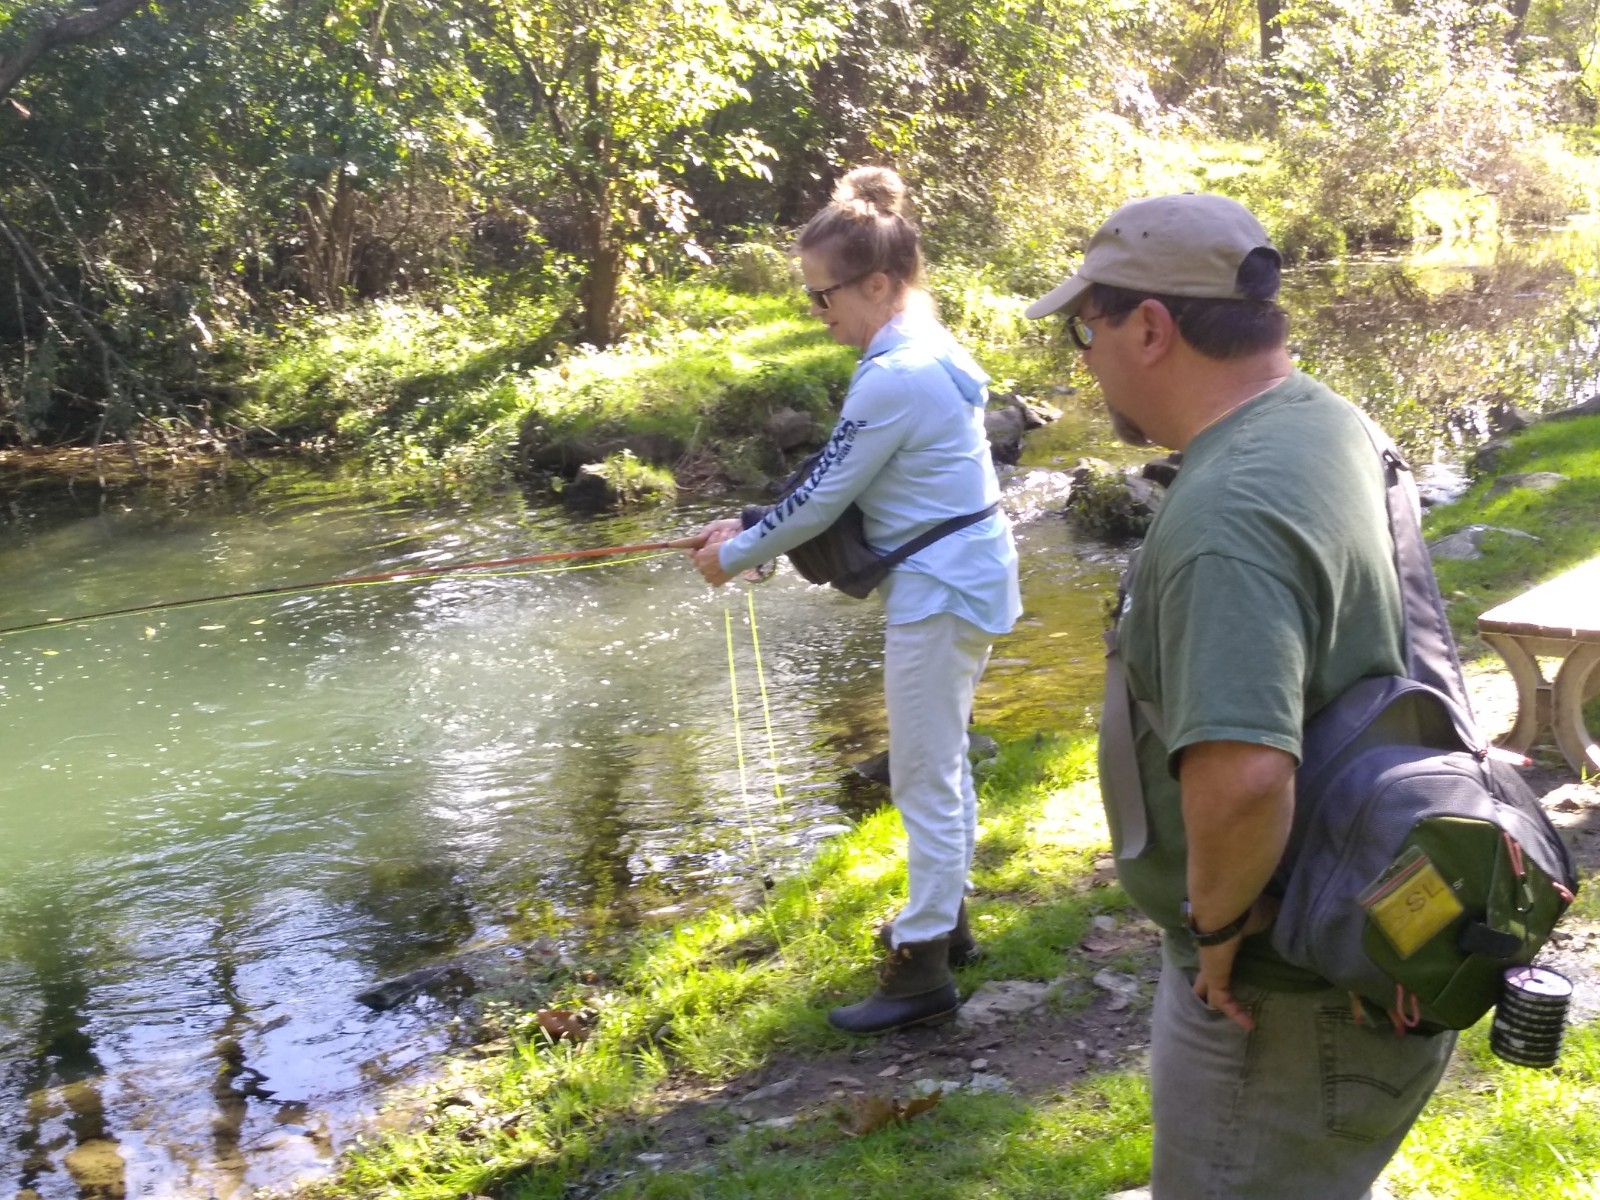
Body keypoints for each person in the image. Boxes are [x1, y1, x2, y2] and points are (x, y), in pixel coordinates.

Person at [1025, 194, 1455, 1198]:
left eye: (1083, 331)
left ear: (1148, 327)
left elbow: (1248, 775)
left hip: (1277, 999)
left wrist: (1216, 938)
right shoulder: (1320, 417)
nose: (1080, 359)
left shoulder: (1227, 515)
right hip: (1363, 932)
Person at [683, 165, 1021, 1035]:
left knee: (921, 775)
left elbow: (827, 497)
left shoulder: (894, 373)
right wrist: (751, 525)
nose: (817, 314)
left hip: (942, 592)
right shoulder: (924, 342)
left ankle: (922, 971)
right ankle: (947, 920)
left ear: (877, 284)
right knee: (934, 764)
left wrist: (739, 556)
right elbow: (842, 478)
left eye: (822, 297)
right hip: (963, 578)